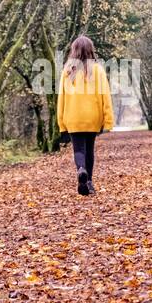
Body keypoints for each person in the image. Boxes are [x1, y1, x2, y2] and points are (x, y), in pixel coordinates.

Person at [56, 35, 114, 196]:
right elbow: (105, 96)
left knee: (78, 149)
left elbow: (61, 98)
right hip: (93, 117)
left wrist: (61, 122)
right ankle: (89, 182)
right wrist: (108, 120)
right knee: (89, 149)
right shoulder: (98, 69)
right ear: (91, 50)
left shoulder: (68, 70)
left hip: (73, 117)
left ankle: (81, 169)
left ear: (74, 50)